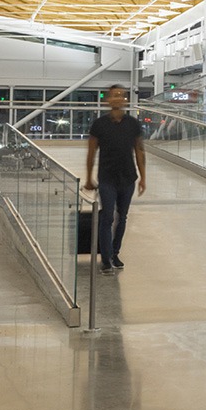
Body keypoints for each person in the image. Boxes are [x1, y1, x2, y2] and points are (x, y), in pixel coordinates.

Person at [85, 86, 146, 275]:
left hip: (127, 178)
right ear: (108, 100)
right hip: (107, 178)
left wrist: (143, 177)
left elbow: (139, 151)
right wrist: (88, 177)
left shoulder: (133, 124)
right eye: (114, 96)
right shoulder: (99, 125)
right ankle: (105, 258)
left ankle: (115, 253)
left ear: (126, 100)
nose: (118, 99)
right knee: (107, 217)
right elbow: (91, 152)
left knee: (122, 217)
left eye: (121, 96)